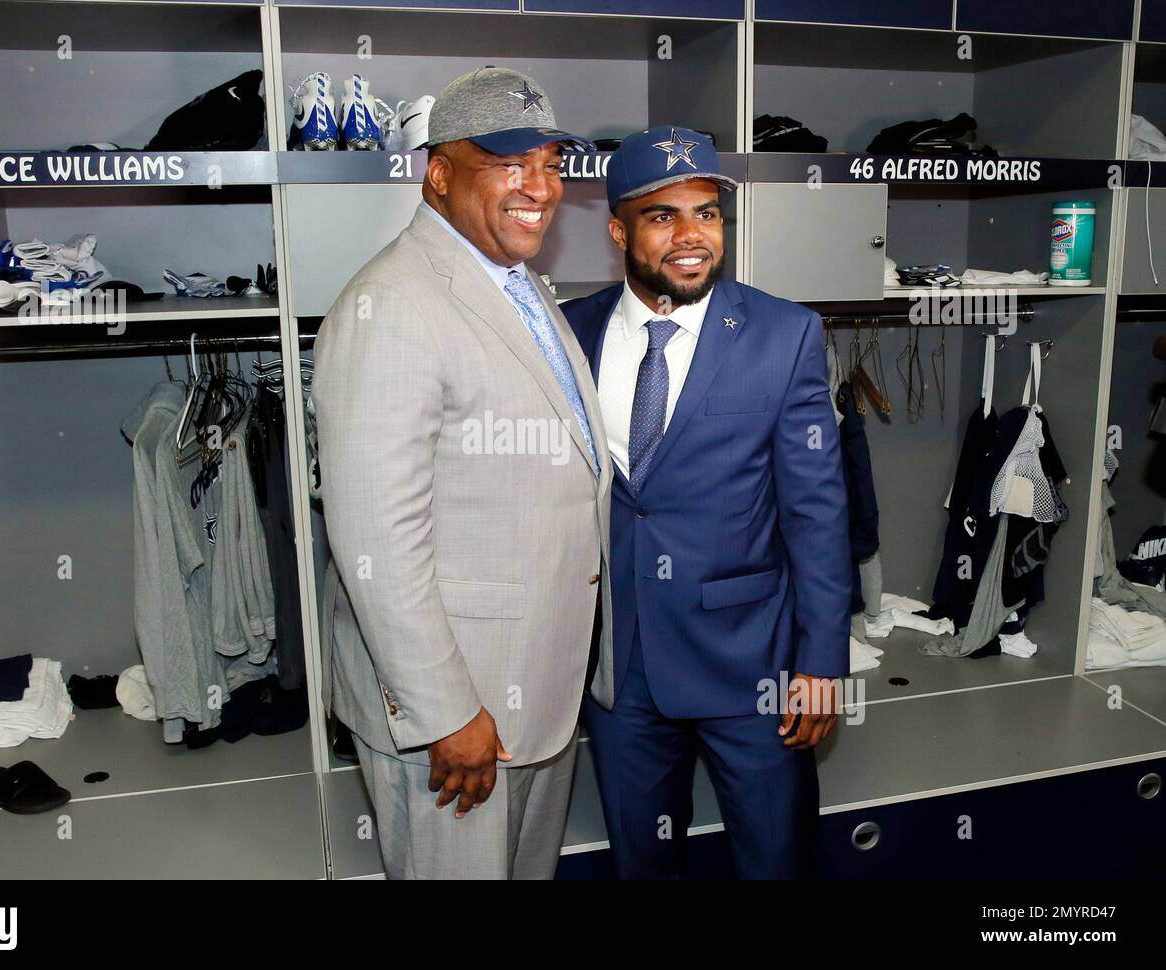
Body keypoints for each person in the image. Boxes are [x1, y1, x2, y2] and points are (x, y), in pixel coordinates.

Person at [312, 68, 613, 880]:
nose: (541, 187)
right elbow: (377, 539)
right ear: (438, 174)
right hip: (457, 716)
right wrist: (448, 715)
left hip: (536, 689)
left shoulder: (516, 284)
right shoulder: (392, 307)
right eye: (510, 162)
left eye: (552, 163)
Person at [561, 125, 851, 879]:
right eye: (664, 217)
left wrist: (822, 662)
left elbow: (817, 513)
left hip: (752, 667)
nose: (692, 237)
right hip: (620, 672)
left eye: (708, 213)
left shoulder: (784, 335)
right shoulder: (571, 331)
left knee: (775, 860)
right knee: (643, 865)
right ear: (620, 229)